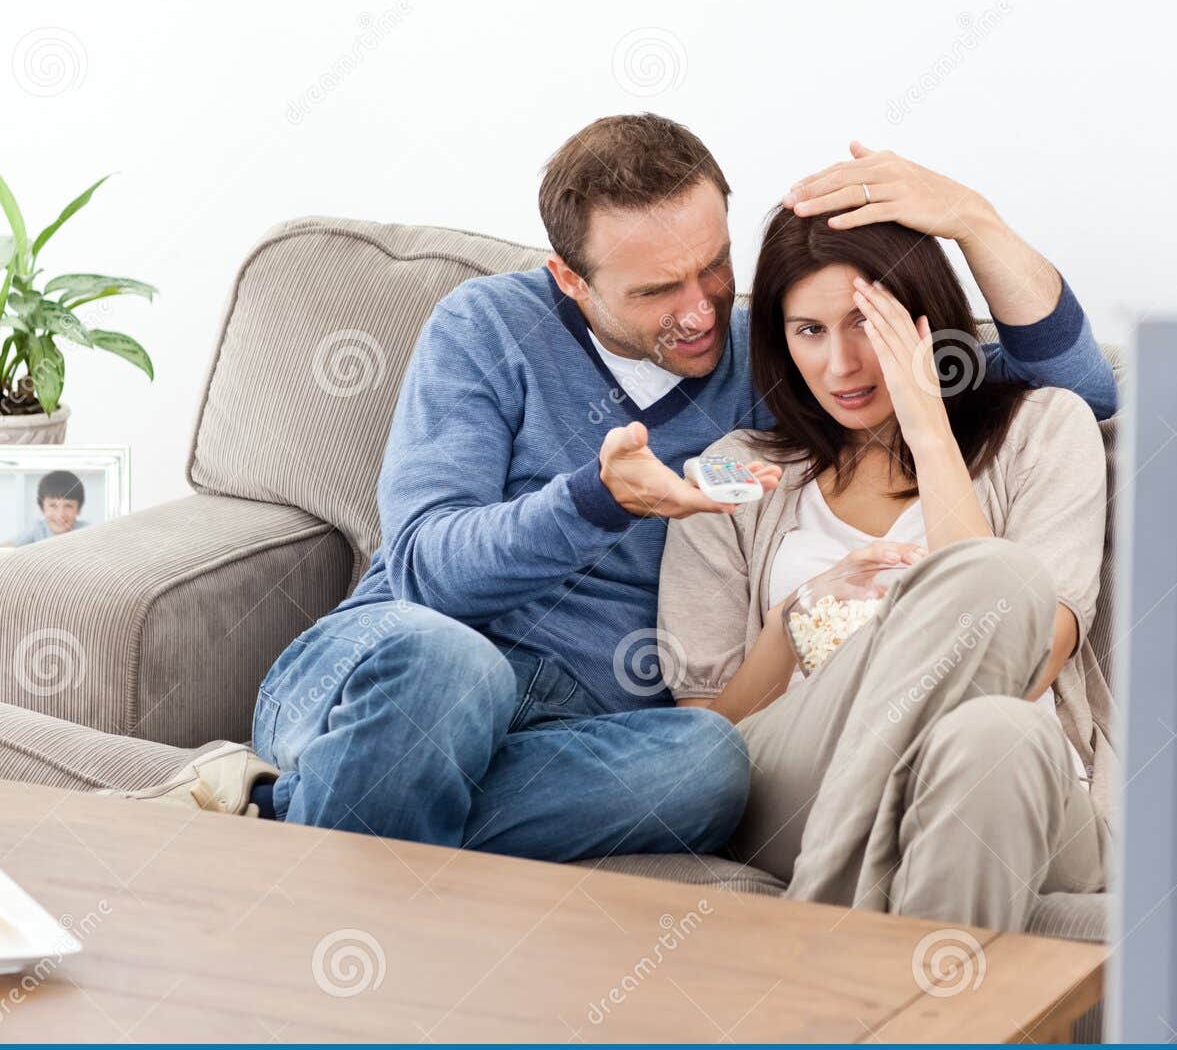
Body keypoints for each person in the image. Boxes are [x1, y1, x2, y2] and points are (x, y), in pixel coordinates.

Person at [106, 114, 1118, 869]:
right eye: (654, 291)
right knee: (453, 665)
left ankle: (282, 817)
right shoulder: (489, 329)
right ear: (570, 280)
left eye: (713, 269)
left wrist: (975, 223)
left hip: (596, 729)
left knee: (712, 766)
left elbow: (1074, 400)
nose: (697, 312)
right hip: (395, 667)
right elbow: (426, 569)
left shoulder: (768, 358)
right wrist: (593, 500)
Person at [657, 208, 1113, 929]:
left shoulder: (1046, 429)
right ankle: (842, 909)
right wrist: (793, 620)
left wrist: (927, 423)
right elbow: (701, 742)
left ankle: (836, 944)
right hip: (797, 776)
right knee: (998, 588)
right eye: (809, 330)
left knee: (1002, 717)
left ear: (925, 322)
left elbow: (1033, 655)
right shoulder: (735, 471)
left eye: (866, 322)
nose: (840, 365)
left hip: (1016, 781)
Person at [5, 470, 89, 547]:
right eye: (53, 506)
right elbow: (6, 548)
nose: (60, 514)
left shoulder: (87, 531)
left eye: (68, 506)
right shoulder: (38, 529)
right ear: (42, 508)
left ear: (78, 509)